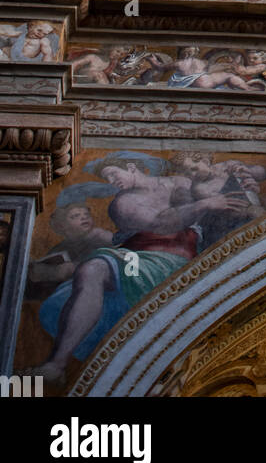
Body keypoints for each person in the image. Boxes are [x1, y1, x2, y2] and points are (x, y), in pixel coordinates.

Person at [27, 152, 249, 384]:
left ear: (132, 167)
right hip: (140, 259)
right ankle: (56, 365)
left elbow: (194, 199)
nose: (113, 182)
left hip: (182, 262)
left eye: (114, 174)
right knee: (93, 268)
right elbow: (163, 223)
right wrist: (203, 203)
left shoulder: (179, 183)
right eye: (107, 179)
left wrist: (235, 174)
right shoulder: (123, 204)